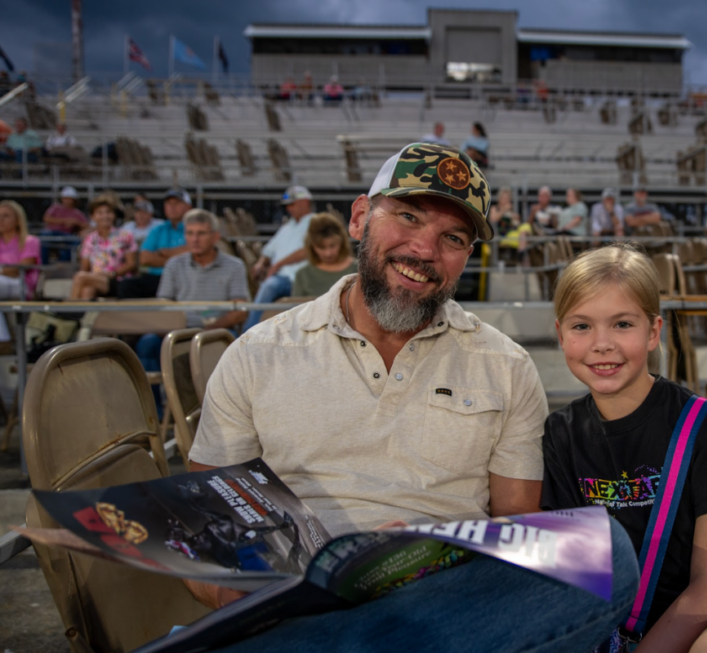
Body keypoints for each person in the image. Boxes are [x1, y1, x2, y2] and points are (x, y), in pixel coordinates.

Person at [185, 143, 638, 650]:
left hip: (445, 596)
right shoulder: (257, 354)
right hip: (301, 600)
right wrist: (257, 590)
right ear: (359, 218)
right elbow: (204, 541)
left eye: (452, 237)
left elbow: (516, 530)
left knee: (605, 552)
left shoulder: (505, 365)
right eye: (407, 216)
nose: (424, 251)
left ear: (468, 256)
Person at [542, 245, 707, 653]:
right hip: (613, 621)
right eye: (581, 326)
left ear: (654, 331)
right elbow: (573, 571)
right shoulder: (560, 433)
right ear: (560, 335)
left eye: (622, 324)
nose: (601, 344)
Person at [135, 209, 250, 392]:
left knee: (232, 342)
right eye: (190, 233)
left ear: (215, 237)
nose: (194, 239)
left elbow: (240, 311)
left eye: (201, 233)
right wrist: (173, 329)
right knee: (147, 343)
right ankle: (153, 412)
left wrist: (208, 330)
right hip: (177, 329)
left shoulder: (234, 266)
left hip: (216, 330)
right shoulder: (173, 264)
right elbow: (163, 305)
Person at [242, 186, 315, 330]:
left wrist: (277, 265)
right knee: (265, 285)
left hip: (300, 277)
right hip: (280, 276)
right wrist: (261, 263)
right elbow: (269, 250)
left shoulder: (316, 222)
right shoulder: (287, 227)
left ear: (305, 202)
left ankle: (246, 333)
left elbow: (311, 249)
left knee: (269, 286)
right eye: (287, 206)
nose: (289, 209)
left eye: (292, 204)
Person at [118, 188, 191, 298]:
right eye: (168, 203)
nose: (172, 207)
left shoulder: (195, 228)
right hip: (157, 277)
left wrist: (163, 252)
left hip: (185, 277)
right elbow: (145, 259)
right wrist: (180, 254)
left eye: (177, 203)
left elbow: (195, 253)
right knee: (126, 285)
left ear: (188, 207)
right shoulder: (158, 229)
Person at [69, 194, 138, 300]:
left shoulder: (125, 236)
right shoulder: (90, 239)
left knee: (79, 277)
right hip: (96, 279)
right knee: (87, 290)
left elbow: (131, 264)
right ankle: (81, 315)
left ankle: (68, 310)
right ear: (93, 216)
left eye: (108, 212)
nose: (105, 216)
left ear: (114, 215)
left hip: (118, 280)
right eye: (100, 213)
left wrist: (111, 274)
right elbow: (85, 267)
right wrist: (93, 276)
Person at [290, 212, 357, 297]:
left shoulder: (359, 269)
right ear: (312, 246)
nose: (328, 253)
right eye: (321, 247)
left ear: (342, 242)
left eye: (332, 246)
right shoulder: (302, 275)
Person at [0, 200, 41, 300]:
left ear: (18, 220)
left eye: (6, 216)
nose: (0, 219)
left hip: (20, 283)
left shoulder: (30, 241)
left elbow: (20, 268)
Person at [40, 186, 89, 262]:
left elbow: (86, 225)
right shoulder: (55, 208)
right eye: (65, 198)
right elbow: (46, 218)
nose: (67, 201)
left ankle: (64, 262)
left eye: (70, 199)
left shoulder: (77, 213)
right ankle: (43, 263)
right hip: (51, 232)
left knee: (75, 241)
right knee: (44, 237)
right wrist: (64, 221)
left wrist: (76, 222)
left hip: (66, 234)